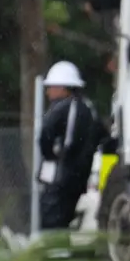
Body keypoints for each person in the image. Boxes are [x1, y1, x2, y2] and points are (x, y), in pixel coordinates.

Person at [37, 60, 101, 232]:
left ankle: (52, 254)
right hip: (79, 176)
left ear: (63, 88)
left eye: (51, 86)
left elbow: (46, 133)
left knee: (52, 219)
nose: (48, 91)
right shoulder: (88, 108)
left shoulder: (62, 108)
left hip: (61, 176)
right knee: (64, 217)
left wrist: (50, 155)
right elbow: (101, 136)